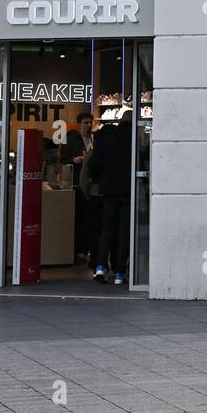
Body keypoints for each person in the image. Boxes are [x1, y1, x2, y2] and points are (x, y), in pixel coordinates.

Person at [87, 112, 133, 285]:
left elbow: (94, 166)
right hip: (128, 191)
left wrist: (101, 180)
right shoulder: (134, 139)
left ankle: (100, 266)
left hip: (108, 191)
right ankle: (120, 272)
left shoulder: (106, 140)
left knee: (106, 230)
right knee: (124, 233)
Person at [63, 112, 96, 262]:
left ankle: (87, 248)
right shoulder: (71, 140)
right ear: (79, 124)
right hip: (77, 181)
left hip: (92, 181)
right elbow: (63, 159)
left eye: (90, 122)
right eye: (86, 122)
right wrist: (74, 159)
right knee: (80, 218)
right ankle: (79, 249)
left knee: (90, 218)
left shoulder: (95, 138)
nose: (89, 125)